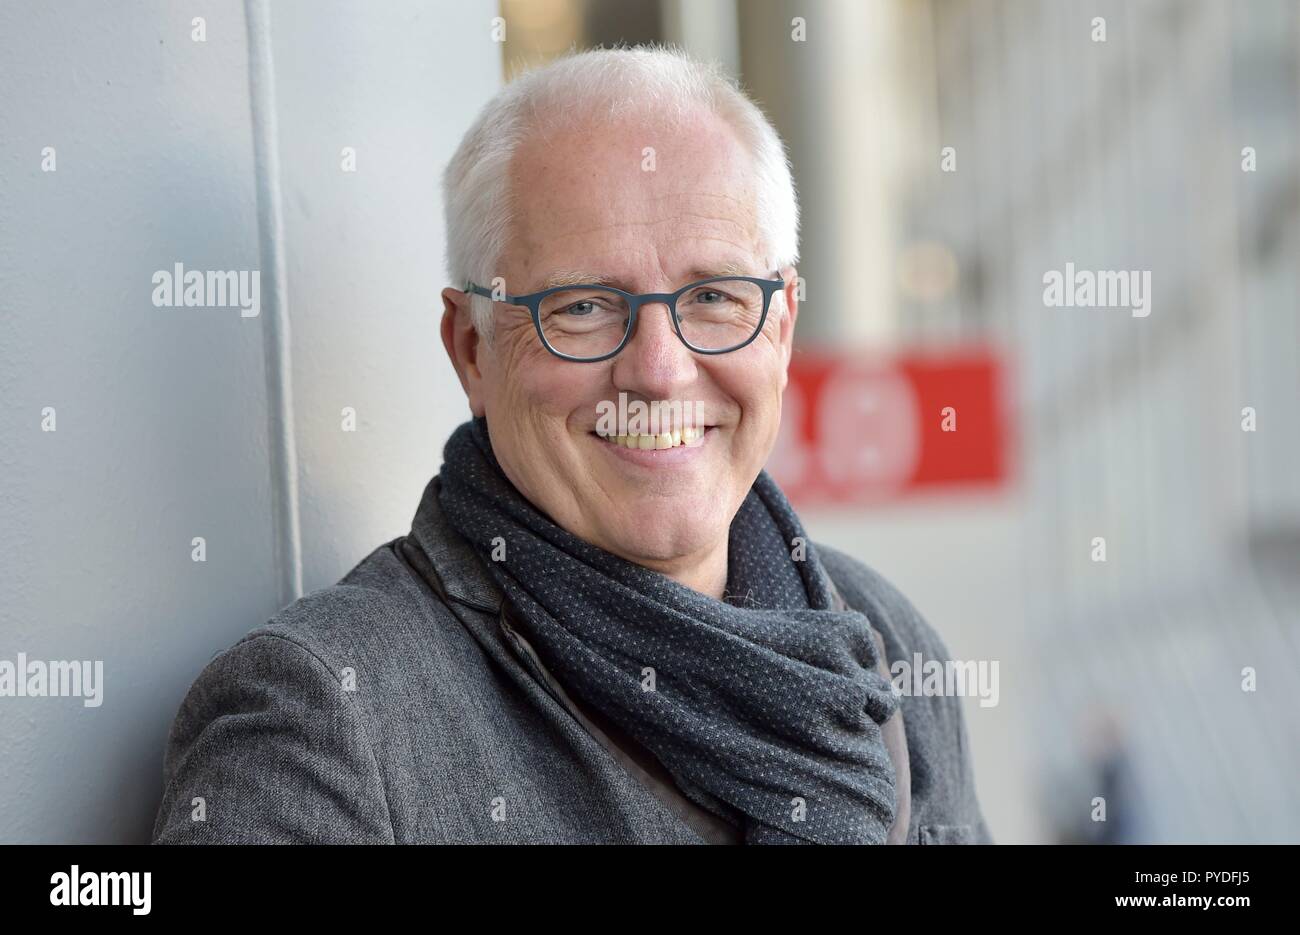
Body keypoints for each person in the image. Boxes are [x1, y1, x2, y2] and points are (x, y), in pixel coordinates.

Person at [152, 44, 991, 845]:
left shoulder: (885, 639)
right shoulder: (323, 717)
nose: (660, 372)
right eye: (583, 307)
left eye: (714, 297)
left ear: (781, 327)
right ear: (472, 348)